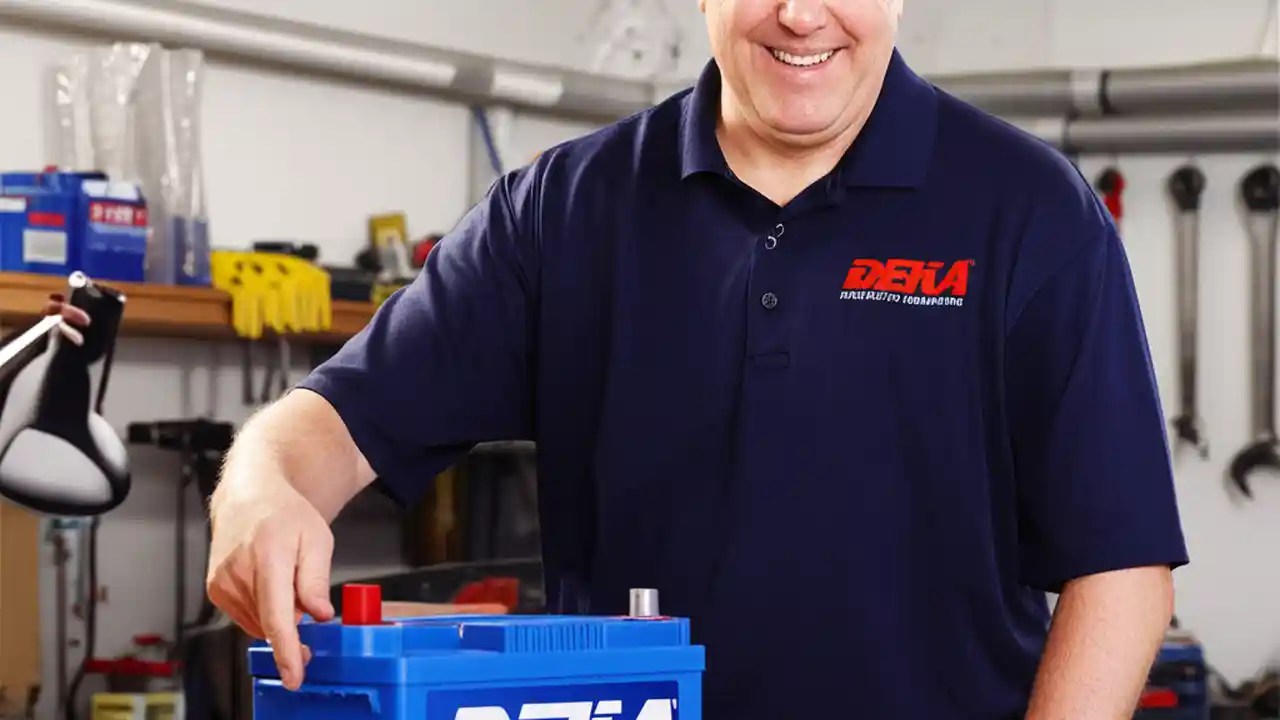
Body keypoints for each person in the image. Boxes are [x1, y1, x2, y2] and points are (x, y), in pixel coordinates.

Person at [206, 0, 1189, 717]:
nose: (799, 15)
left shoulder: (1027, 208)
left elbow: (1121, 571)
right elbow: (330, 424)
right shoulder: (563, 211)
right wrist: (257, 489)